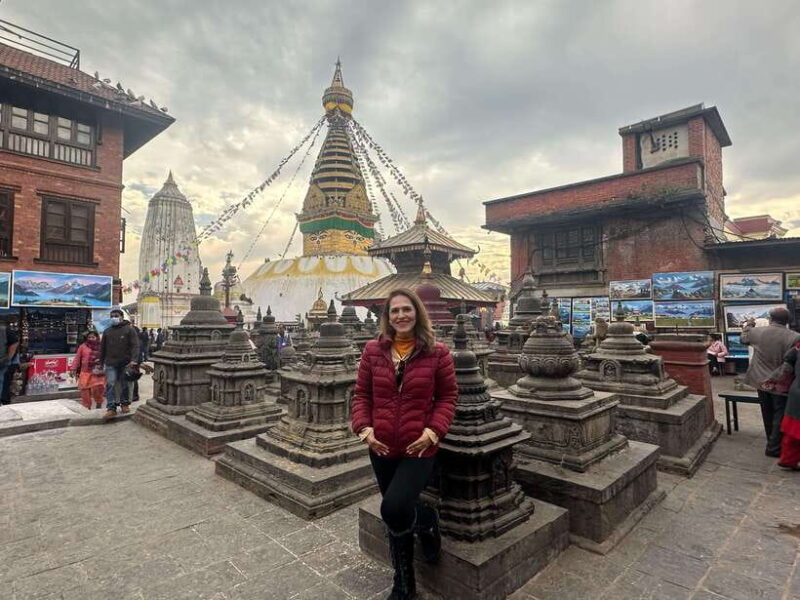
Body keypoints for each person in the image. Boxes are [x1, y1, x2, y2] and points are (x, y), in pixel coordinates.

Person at [351, 288, 458, 600]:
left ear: (417, 313)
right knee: (396, 514)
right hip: (381, 446)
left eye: (406, 309)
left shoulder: (437, 353)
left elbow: (448, 397)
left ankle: (424, 524)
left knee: (394, 506)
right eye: (394, 311)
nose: (401, 315)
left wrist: (433, 432)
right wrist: (364, 429)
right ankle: (404, 578)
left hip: (419, 447)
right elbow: (362, 394)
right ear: (387, 317)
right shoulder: (373, 350)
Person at [741, 307, 800, 457]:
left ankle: (771, 442)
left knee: (766, 412)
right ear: (787, 321)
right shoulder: (794, 337)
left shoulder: (757, 332)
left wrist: (749, 324)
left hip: (760, 380)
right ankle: (774, 447)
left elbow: (743, 338)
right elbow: (790, 362)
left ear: (770, 319)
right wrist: (776, 378)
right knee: (779, 413)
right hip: (781, 381)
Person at [100, 307, 139, 420]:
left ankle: (124, 404)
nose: (114, 318)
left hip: (125, 363)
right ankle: (111, 408)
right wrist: (101, 363)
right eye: (112, 316)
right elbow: (102, 349)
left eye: (116, 316)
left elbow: (135, 346)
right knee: (110, 385)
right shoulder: (107, 331)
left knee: (124, 384)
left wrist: (134, 360)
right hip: (110, 363)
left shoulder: (129, 329)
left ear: (122, 317)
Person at [775, 341, 800, 469]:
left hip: (796, 391)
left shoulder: (797, 347)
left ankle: (788, 459)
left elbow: (787, 365)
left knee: (793, 431)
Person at [71, 331, 105, 410]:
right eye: (89, 337)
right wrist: (73, 368)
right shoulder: (83, 346)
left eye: (93, 337)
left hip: (97, 373)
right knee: (84, 391)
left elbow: (106, 358)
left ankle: (99, 403)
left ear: (97, 337)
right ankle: (87, 407)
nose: (91, 339)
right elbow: (77, 358)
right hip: (85, 372)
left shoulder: (102, 346)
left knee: (97, 389)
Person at [0, 322, 20, 405]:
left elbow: (15, 343)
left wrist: (8, 358)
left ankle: (3, 401)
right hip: (4, 359)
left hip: (8, 361)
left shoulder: (4, 330)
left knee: (3, 380)